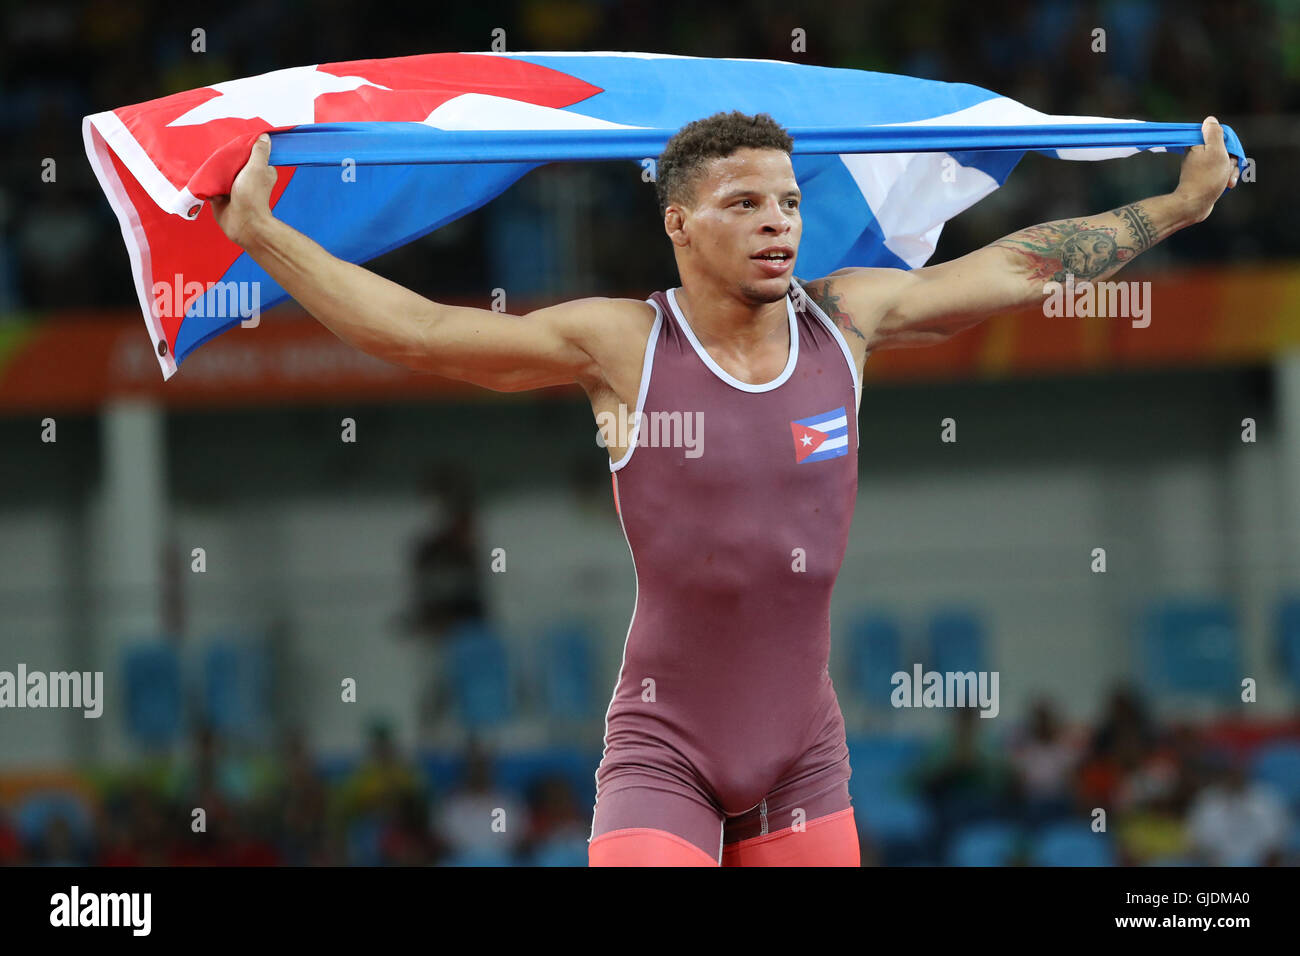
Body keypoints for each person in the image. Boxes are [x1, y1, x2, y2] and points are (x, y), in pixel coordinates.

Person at [211, 110, 1239, 866]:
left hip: (803, 751)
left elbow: (1021, 267)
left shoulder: (845, 318)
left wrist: (1181, 204)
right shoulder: (623, 342)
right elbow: (423, 334)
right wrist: (262, 236)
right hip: (665, 747)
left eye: (789, 202)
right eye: (742, 203)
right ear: (679, 224)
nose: (776, 222)